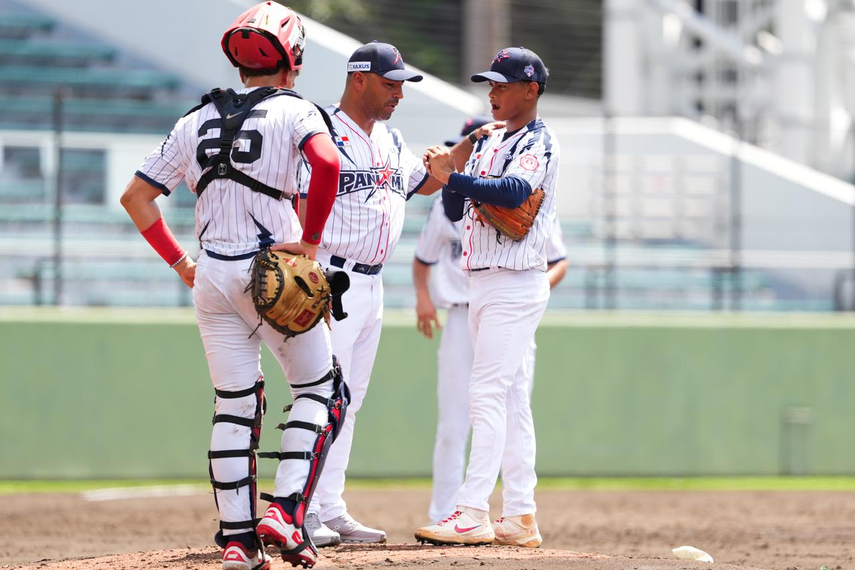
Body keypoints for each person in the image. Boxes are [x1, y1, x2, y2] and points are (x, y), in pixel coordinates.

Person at [120, 3, 344, 569]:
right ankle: (287, 513)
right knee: (322, 390)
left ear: (237, 60)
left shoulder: (192, 121)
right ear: (292, 59)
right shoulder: (296, 110)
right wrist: (312, 241)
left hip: (212, 275)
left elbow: (136, 199)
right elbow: (327, 165)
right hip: (272, 270)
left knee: (235, 404)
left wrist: (180, 263)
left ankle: (239, 543)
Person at [295, 41, 480, 547]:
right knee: (321, 398)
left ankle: (329, 507)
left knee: (348, 403)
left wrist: (471, 145)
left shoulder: (391, 141)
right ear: (359, 79)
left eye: (402, 83)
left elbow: (427, 181)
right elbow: (294, 199)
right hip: (328, 278)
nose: (398, 92)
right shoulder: (322, 133)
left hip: (372, 282)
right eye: (390, 82)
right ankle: (300, 509)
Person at [414, 46, 559, 548]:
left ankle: (473, 510)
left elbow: (516, 192)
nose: (492, 92)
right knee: (513, 397)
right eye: (489, 85)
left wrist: (452, 175)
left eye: (501, 84)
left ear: (531, 90)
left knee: (486, 393)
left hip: (516, 281)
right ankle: (520, 514)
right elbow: (454, 208)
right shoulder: (491, 139)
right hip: (484, 280)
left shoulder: (539, 141)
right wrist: (451, 164)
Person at [413, 168, 567, 524]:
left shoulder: (534, 198)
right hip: (460, 312)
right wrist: (423, 295)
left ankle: (514, 509)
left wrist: (532, 293)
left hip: (511, 310)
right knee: (454, 421)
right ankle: (446, 512)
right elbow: (423, 259)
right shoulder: (446, 203)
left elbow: (559, 261)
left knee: (513, 409)